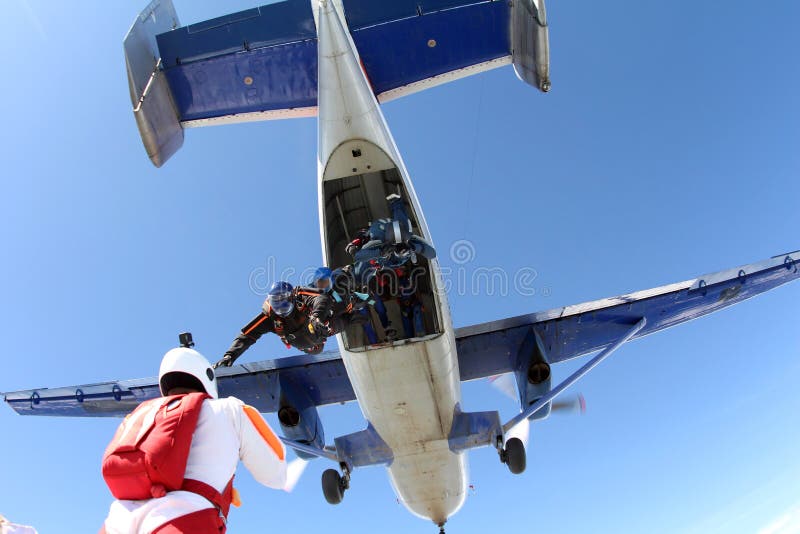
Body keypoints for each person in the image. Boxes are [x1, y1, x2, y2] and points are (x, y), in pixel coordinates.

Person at [101, 346, 288, 533]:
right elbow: (274, 474)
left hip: (117, 521)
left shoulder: (139, 414)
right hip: (184, 518)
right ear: (207, 376)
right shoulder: (231, 408)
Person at [215, 281, 333, 368]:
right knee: (314, 343)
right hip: (305, 342)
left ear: (291, 297)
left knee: (327, 305)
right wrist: (230, 356)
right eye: (278, 306)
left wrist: (318, 317)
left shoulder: (299, 295)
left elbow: (321, 297)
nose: (282, 310)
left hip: (315, 325)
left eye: (284, 304)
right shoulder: (269, 317)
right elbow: (247, 335)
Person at [310, 266, 396, 344]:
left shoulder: (338, 277)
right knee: (364, 319)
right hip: (354, 305)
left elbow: (352, 278)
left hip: (358, 295)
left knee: (377, 303)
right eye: (320, 282)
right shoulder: (315, 292)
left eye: (325, 282)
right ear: (315, 281)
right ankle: (374, 342)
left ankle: (387, 327)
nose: (323, 286)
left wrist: (359, 289)